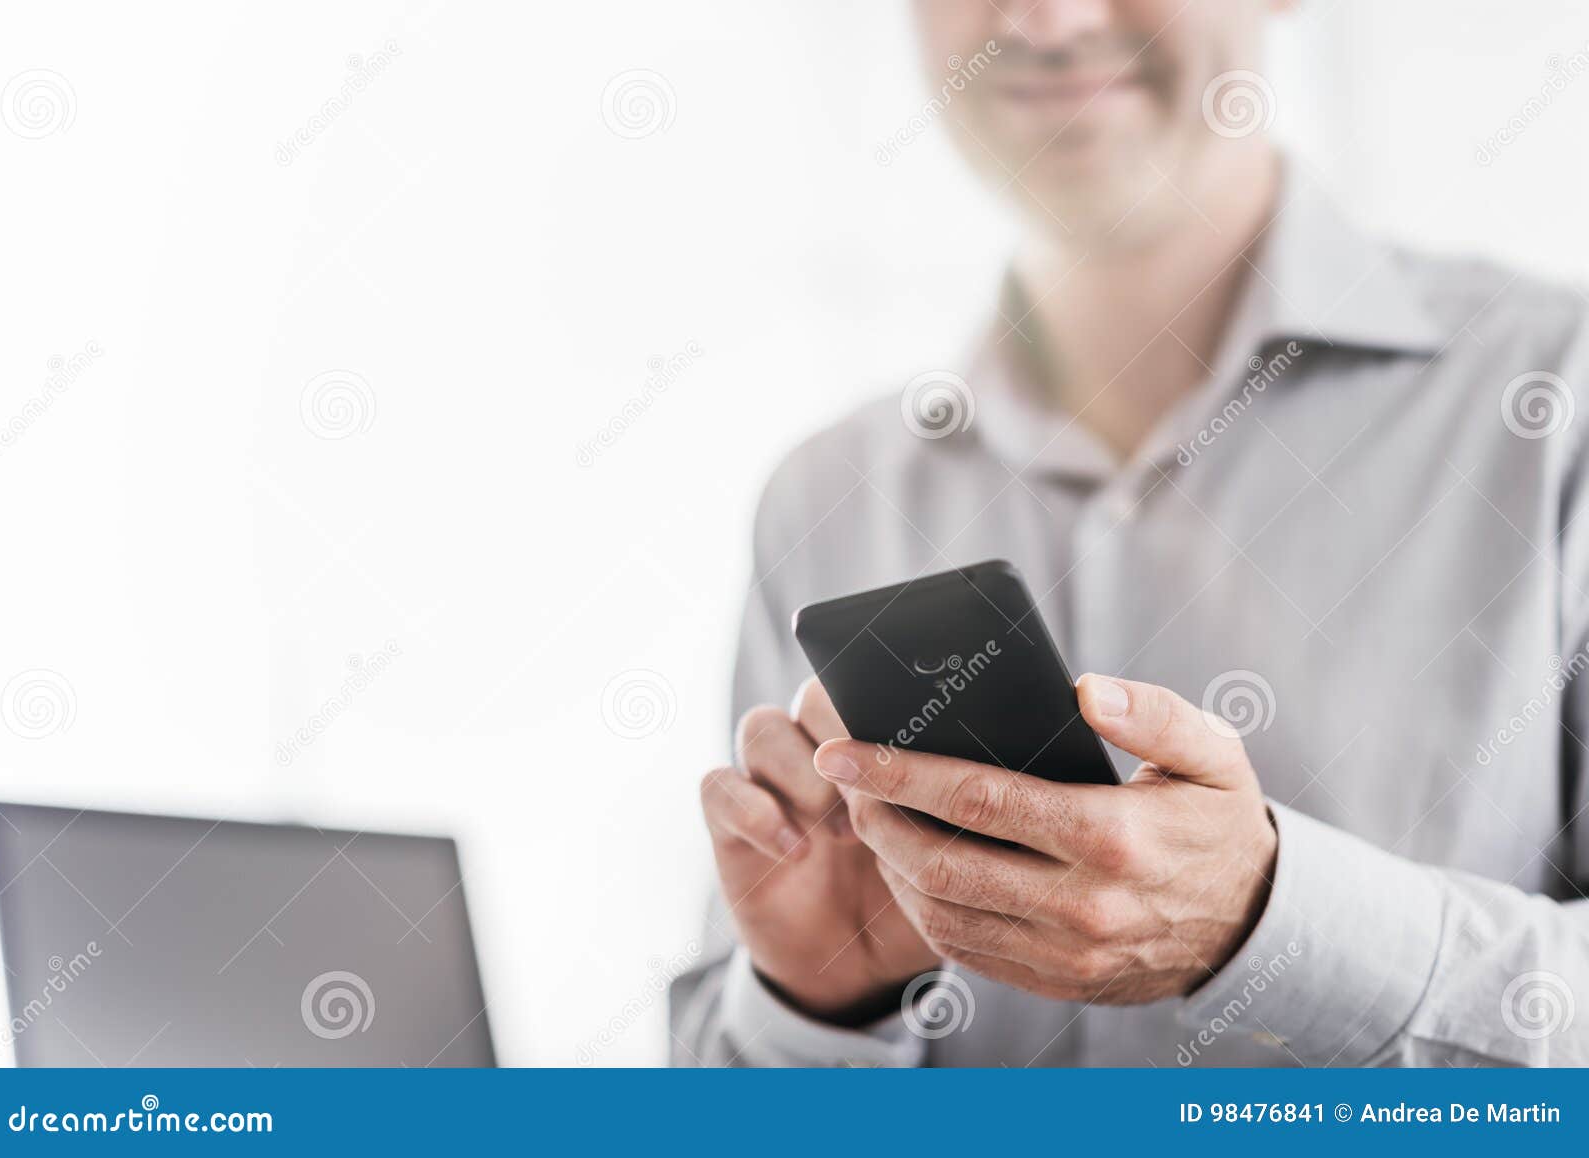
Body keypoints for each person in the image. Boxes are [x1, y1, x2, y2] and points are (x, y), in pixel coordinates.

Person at [672, 0, 1589, 1067]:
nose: (1045, 20)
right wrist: (815, 1010)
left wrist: (1272, 923)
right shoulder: (828, 497)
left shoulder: (1554, 401)